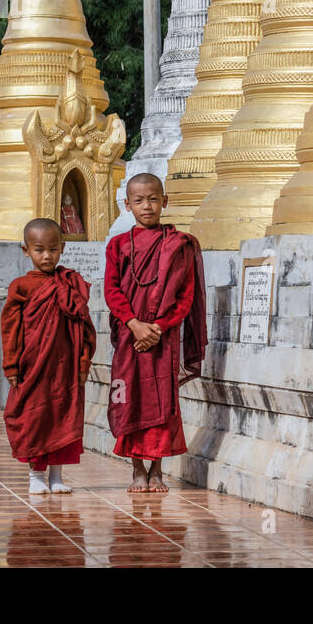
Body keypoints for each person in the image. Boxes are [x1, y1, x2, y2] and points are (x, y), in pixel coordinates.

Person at [104, 173, 207, 493]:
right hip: (129, 336)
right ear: (127, 205)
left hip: (163, 339)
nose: (146, 206)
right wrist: (134, 324)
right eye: (138, 200)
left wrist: (160, 327)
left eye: (152, 199)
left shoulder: (179, 245)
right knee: (129, 400)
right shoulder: (118, 245)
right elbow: (112, 290)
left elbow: (185, 295)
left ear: (165, 201)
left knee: (163, 401)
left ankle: (158, 470)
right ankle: (137, 469)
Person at [1, 217, 97, 495]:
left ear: (63, 248)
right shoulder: (21, 286)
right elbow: (10, 328)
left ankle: (57, 476)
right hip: (33, 365)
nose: (47, 256)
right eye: (39, 249)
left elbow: (85, 326)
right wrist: (11, 365)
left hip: (65, 366)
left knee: (62, 416)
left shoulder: (70, 283)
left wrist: (83, 362)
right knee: (35, 418)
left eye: (53, 249)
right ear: (26, 250)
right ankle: (36, 475)